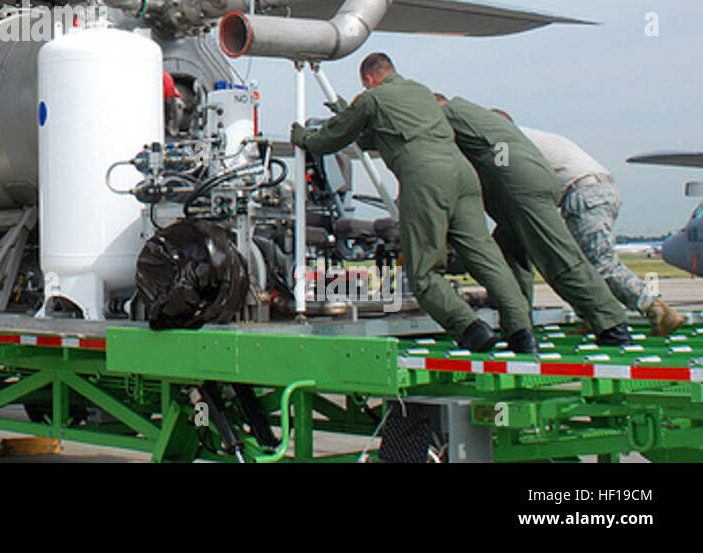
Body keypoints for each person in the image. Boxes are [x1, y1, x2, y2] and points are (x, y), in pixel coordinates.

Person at [291, 53, 536, 353]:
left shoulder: (373, 99)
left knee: (423, 273)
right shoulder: (421, 92)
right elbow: (376, 136)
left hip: (427, 178)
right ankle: (523, 333)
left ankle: (471, 329)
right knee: (487, 259)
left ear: (368, 80)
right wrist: (345, 111)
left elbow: (333, 140)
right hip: (463, 175)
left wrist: (304, 137)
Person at [434, 95, 630, 346]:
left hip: (523, 193)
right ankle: (518, 323)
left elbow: (499, 160)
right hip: (528, 188)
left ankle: (611, 323)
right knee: (509, 252)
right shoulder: (482, 122)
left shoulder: (455, 117)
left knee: (558, 258)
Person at [500, 115, 686, 338]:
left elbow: (505, 175)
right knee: (581, 262)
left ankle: (655, 307)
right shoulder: (532, 138)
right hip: (594, 191)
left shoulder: (505, 142)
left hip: (585, 193)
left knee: (599, 263)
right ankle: (593, 317)